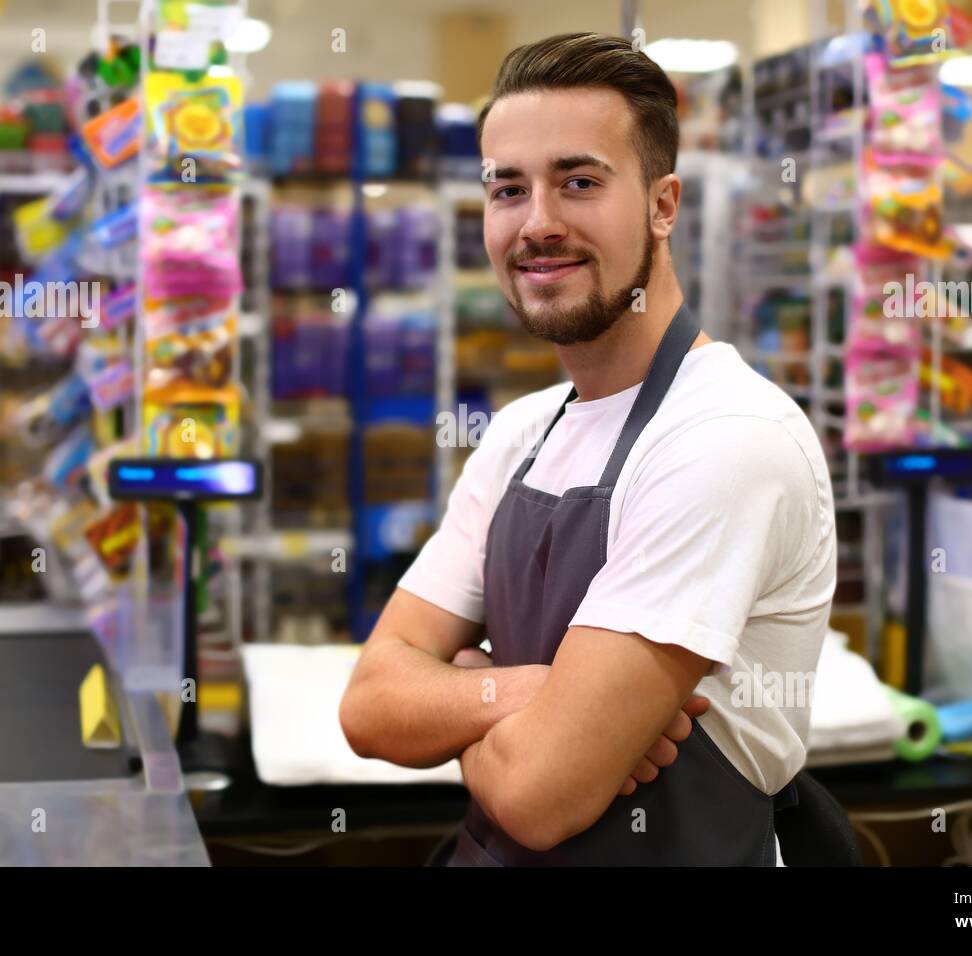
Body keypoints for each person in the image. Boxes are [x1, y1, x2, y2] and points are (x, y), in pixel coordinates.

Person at [340, 32, 836, 865]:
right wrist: (531, 692)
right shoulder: (521, 434)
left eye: (578, 182)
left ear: (663, 205)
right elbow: (369, 704)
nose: (538, 224)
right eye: (507, 189)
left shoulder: (725, 440)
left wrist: (463, 683)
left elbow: (539, 797)